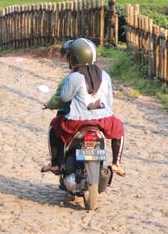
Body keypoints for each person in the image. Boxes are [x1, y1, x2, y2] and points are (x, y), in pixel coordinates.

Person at [41, 37, 126, 176]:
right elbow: (109, 101)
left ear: (74, 58)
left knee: (54, 126)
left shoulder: (73, 77)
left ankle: (56, 164)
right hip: (104, 120)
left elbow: (64, 98)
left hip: (77, 121)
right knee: (119, 127)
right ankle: (116, 163)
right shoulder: (105, 75)